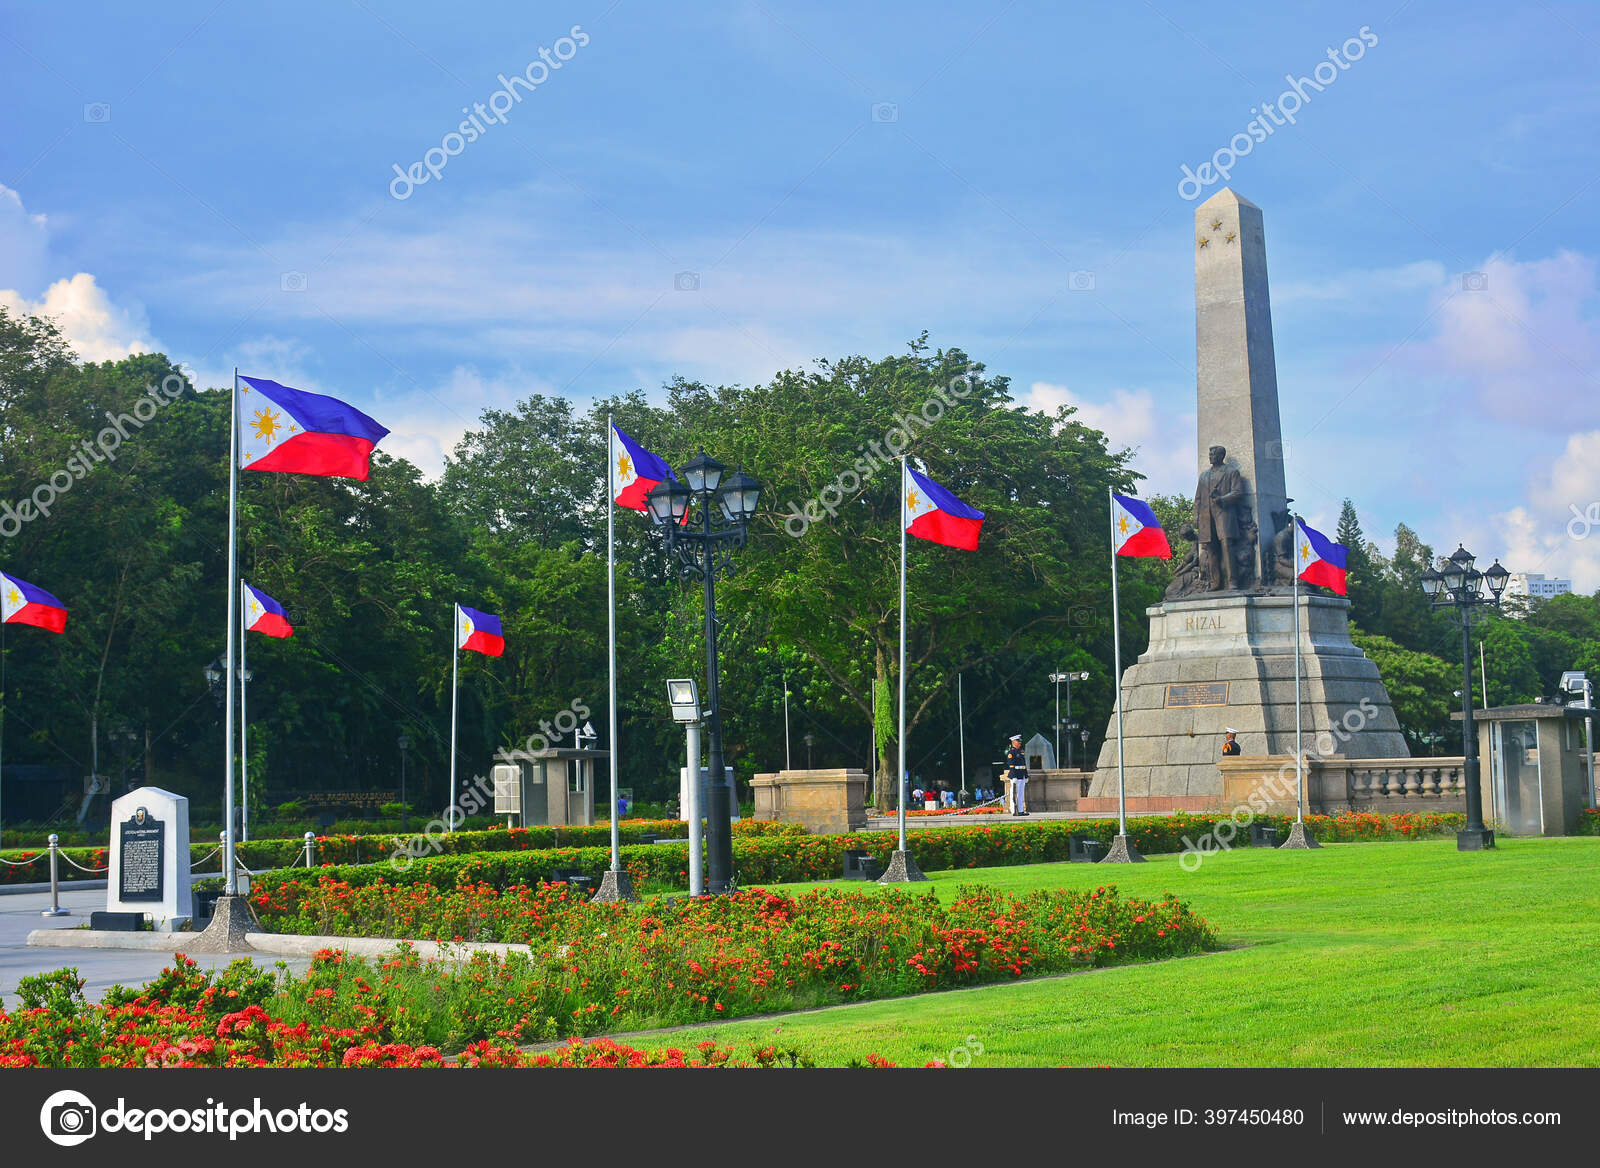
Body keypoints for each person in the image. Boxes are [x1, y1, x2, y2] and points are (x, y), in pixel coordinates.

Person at [1005, 733, 1029, 816]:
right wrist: (1014, 776)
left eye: (1020, 741)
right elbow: (1011, 766)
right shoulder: (1011, 752)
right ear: (1013, 742)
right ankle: (1014, 810)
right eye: (1018, 741)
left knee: (1021, 794)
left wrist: (1026, 775)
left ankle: (1021, 810)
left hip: (1021, 774)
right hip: (1015, 775)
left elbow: (1024, 765)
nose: (1020, 743)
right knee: (1014, 793)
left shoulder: (1021, 752)